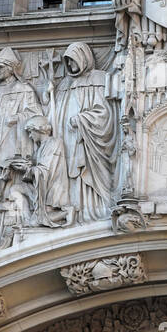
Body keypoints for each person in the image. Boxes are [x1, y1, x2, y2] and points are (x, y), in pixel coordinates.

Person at [54, 42, 116, 221]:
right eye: (69, 62)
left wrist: (82, 119)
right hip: (68, 139)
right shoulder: (65, 84)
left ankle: (93, 209)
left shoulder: (98, 79)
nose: (72, 66)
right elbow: (54, 115)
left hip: (88, 140)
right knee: (71, 174)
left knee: (87, 172)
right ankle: (76, 209)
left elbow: (104, 113)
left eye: (74, 61)